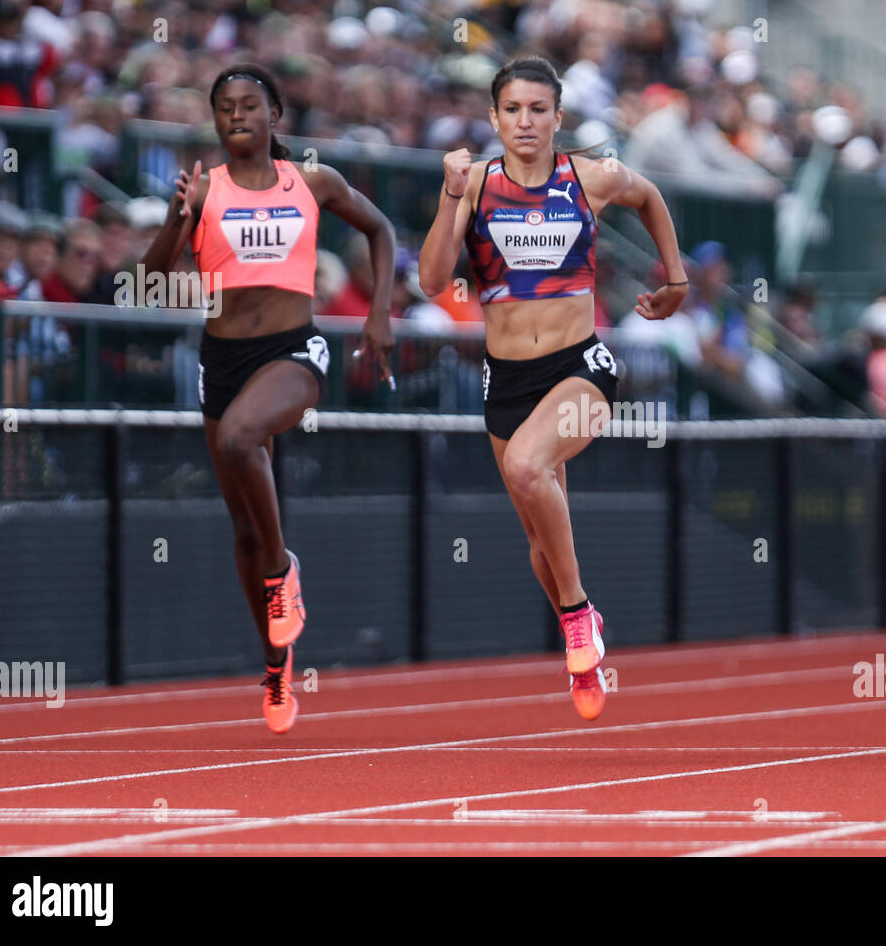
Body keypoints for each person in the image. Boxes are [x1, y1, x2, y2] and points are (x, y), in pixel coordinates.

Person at [419, 56, 687, 721]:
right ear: (494, 119)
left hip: (578, 368)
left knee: (527, 465)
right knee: (540, 542)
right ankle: (585, 643)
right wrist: (450, 195)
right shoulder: (475, 184)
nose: (526, 121)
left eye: (538, 109)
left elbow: (649, 195)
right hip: (506, 380)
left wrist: (675, 277)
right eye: (512, 109)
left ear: (558, 118)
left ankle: (575, 618)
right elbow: (430, 281)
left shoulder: (588, 177)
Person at [140, 63, 396, 733]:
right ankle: (276, 668)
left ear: (275, 115)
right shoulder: (205, 190)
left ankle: (285, 571)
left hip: (293, 351)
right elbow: (148, 283)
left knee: (238, 440)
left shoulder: (310, 181)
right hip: (221, 359)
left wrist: (378, 314)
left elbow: (381, 230)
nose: (236, 116)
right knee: (245, 529)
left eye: (249, 104)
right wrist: (177, 219)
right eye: (224, 107)